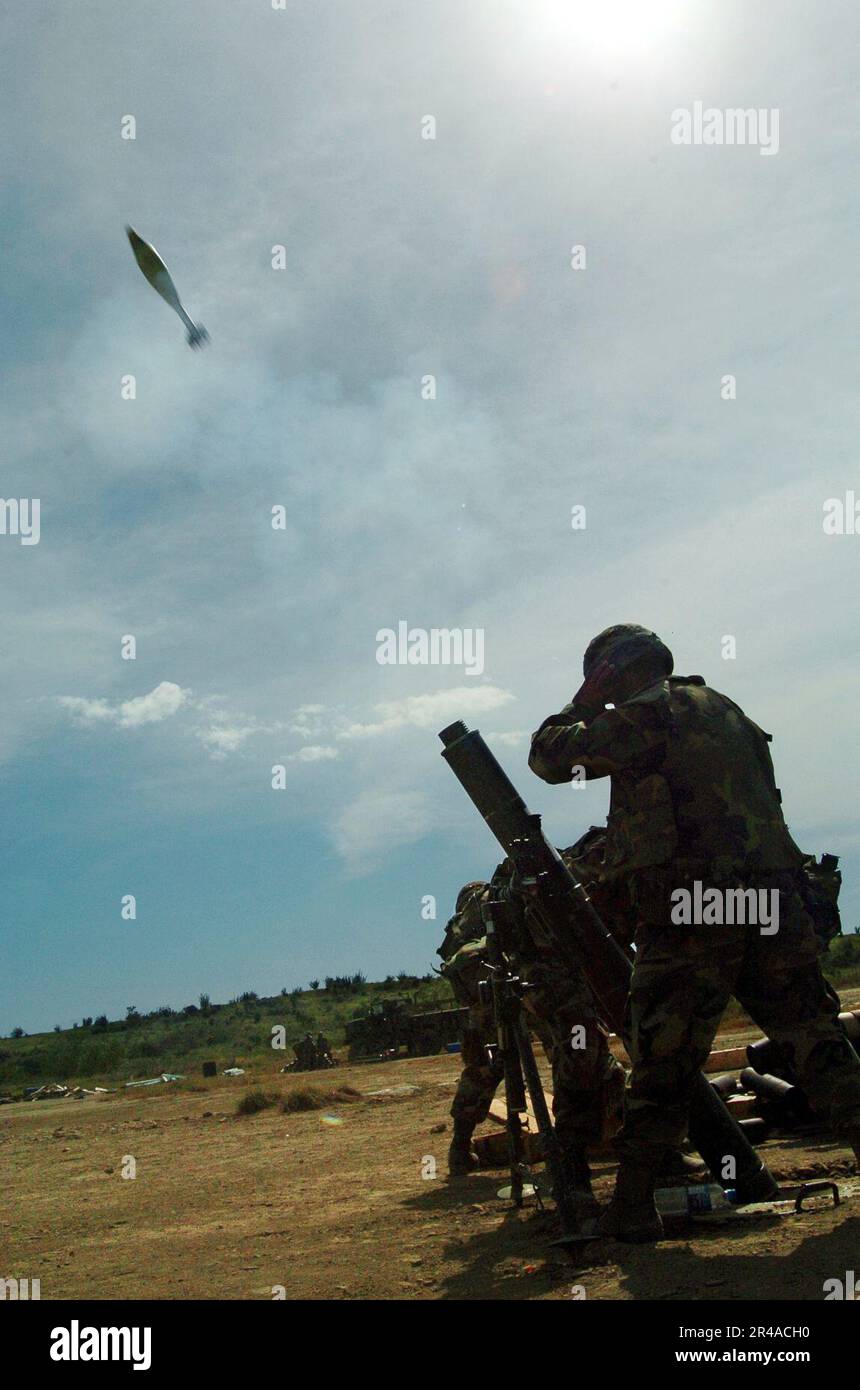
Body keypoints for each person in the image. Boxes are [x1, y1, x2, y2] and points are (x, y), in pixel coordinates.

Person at [529, 624, 860, 1241]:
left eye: (602, 673)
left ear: (615, 669)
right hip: (772, 901)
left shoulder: (650, 714)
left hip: (694, 906)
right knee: (816, 1038)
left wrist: (582, 701)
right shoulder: (727, 711)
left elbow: (549, 757)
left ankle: (630, 1207)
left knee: (663, 1055)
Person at [438, 832, 630, 1224]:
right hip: (533, 981)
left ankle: (460, 1148)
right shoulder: (522, 888)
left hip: (500, 989)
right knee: (581, 1052)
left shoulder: (479, 910)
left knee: (486, 1067)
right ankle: (588, 1160)